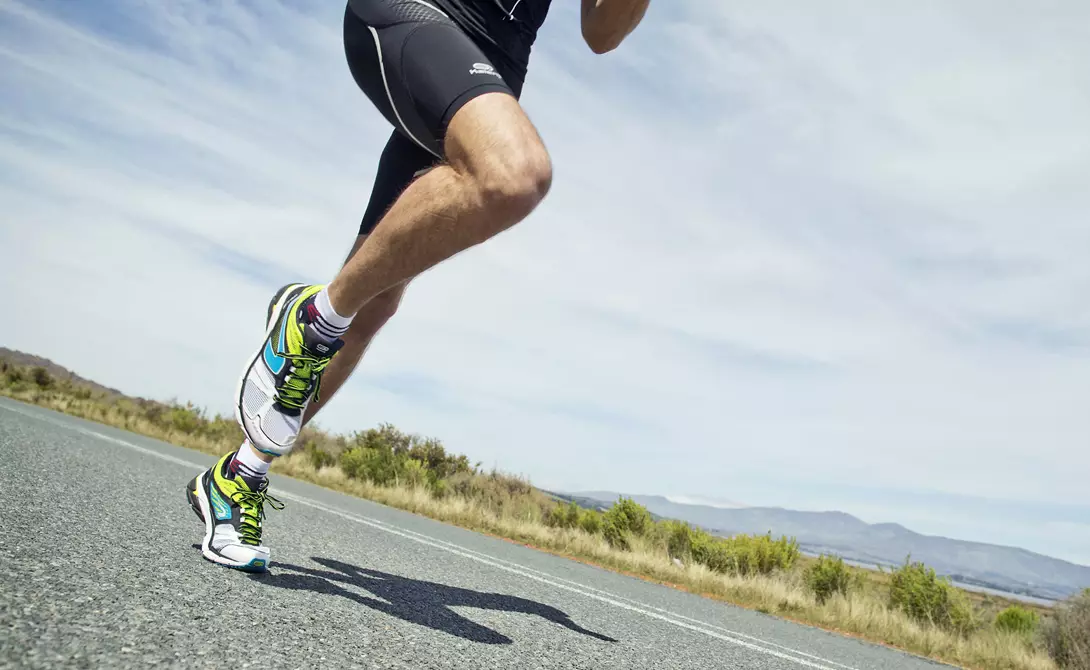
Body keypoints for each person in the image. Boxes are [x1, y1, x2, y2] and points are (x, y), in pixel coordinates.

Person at [186, 0, 651, 572]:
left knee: (376, 299)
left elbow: (601, 32)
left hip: (492, 71)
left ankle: (237, 478)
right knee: (513, 172)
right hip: (415, 14)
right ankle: (312, 317)